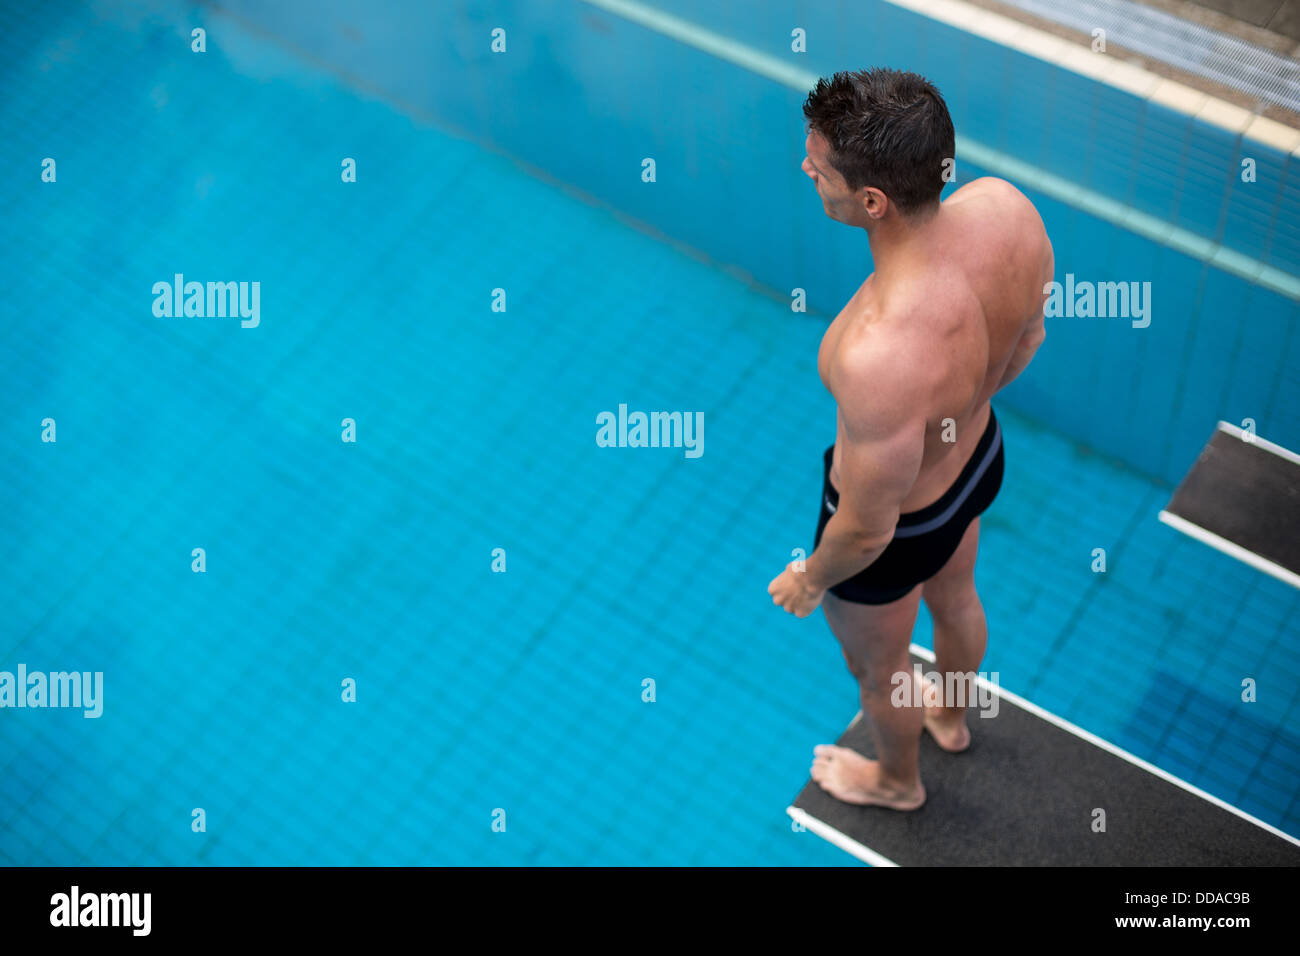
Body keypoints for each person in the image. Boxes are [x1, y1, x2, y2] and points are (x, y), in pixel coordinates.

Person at [768, 68, 1053, 811]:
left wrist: (813, 576)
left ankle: (898, 783)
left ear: (872, 201)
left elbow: (866, 528)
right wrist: (967, 399)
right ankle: (952, 719)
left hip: (904, 526)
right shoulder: (1006, 209)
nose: (806, 170)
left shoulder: (876, 355)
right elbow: (1029, 338)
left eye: (818, 166)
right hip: (979, 461)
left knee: (882, 670)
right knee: (957, 600)